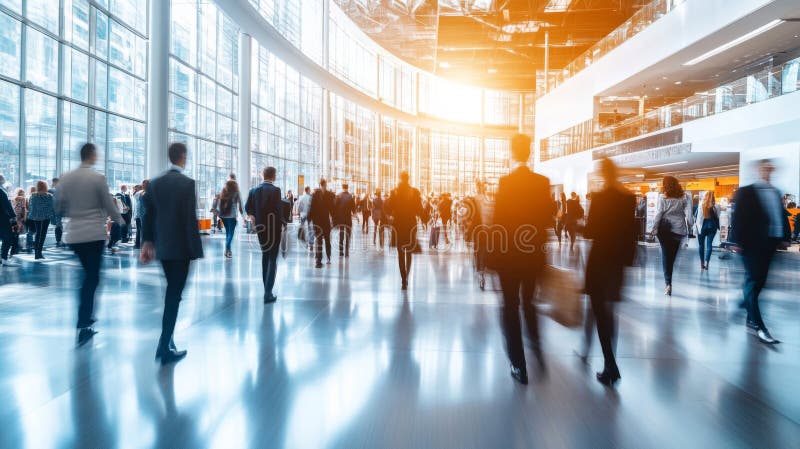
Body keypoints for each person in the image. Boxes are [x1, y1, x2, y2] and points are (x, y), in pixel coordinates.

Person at [488, 134, 551, 385]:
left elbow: (498, 223)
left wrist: (492, 258)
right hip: (532, 255)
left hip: (509, 256)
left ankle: (518, 364)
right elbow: (546, 220)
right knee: (529, 301)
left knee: (510, 307)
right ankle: (535, 343)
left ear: (513, 152)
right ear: (529, 152)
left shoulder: (506, 183)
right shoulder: (542, 183)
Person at [54, 143, 125, 346]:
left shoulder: (66, 178)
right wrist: (120, 221)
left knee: (87, 275)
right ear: (92, 155)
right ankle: (84, 321)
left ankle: (86, 317)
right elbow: (108, 204)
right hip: (93, 234)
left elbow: (58, 206)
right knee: (92, 278)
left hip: (74, 235)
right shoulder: (97, 178)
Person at [141, 142, 204, 365]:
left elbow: (148, 215)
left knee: (171, 292)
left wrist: (147, 242)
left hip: (163, 247)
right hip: (181, 248)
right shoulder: (187, 183)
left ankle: (168, 340)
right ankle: (164, 345)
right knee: (174, 296)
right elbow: (189, 219)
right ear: (183, 157)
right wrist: (195, 249)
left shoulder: (155, 183)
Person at [583, 158, 637, 387]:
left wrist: (578, 226)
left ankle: (610, 365)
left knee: (599, 312)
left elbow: (591, 231)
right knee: (610, 312)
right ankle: (609, 362)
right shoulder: (628, 198)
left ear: (603, 174)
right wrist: (628, 260)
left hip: (599, 261)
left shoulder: (600, 198)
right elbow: (631, 231)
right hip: (617, 263)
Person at [731, 159, 791, 345]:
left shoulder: (775, 192)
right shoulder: (746, 192)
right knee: (753, 280)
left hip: (770, 243)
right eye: (764, 168)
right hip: (751, 244)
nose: (767, 171)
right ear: (758, 170)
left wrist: (785, 237)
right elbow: (738, 216)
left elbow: (780, 215)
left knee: (760, 281)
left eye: (769, 168)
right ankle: (760, 326)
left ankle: (746, 307)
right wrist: (736, 241)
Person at [245, 166, 285, 303]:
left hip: (260, 228)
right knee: (273, 258)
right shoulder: (276, 190)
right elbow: (279, 210)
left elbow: (247, 208)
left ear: (263, 175)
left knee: (265, 256)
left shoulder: (254, 190)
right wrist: (283, 224)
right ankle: (268, 292)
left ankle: (266, 289)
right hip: (274, 228)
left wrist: (253, 216)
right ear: (273, 176)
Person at [650, 176, 693, 296]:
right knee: (672, 257)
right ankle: (669, 280)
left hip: (664, 229)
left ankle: (668, 283)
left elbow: (659, 214)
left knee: (666, 255)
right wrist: (690, 228)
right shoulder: (685, 197)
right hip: (679, 229)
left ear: (665, 185)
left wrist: (654, 228)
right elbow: (689, 215)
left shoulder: (662, 197)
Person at [386, 173, 423, 290]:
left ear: (400, 179)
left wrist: (390, 216)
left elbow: (388, 208)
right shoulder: (414, 192)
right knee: (409, 252)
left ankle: (403, 279)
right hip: (410, 224)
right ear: (408, 179)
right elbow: (419, 210)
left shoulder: (395, 192)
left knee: (400, 253)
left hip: (398, 225)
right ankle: (406, 276)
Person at [309, 179, 335, 268]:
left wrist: (310, 219)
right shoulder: (325, 194)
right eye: (324, 185)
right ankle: (323, 259)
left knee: (322, 240)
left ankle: (322, 259)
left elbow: (312, 208)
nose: (324, 187)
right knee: (323, 240)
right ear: (324, 185)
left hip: (321, 221)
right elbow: (332, 209)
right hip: (322, 221)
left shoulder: (317, 194)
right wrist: (333, 220)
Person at [28, 180, 55, 260]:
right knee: (43, 234)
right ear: (45, 186)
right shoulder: (49, 196)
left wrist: (31, 216)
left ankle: (36, 253)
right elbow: (52, 207)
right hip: (46, 217)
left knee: (38, 233)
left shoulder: (33, 196)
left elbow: (31, 207)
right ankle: (39, 252)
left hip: (36, 217)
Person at [217, 179, 244, 259]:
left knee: (228, 233)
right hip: (232, 217)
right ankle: (227, 248)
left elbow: (219, 205)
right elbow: (241, 206)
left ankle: (228, 250)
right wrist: (244, 217)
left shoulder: (224, 192)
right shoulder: (237, 193)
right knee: (230, 234)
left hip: (224, 216)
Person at [694, 191, 720, 270]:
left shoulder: (701, 205)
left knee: (701, 245)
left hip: (702, 226)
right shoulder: (716, 206)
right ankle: (707, 263)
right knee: (709, 245)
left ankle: (702, 264)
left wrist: (698, 228)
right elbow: (718, 216)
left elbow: (699, 218)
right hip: (712, 226)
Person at [0, 175, 19, 268]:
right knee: (7, 238)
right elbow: (7, 206)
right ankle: (4, 258)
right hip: (3, 218)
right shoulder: (1, 192)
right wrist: (13, 219)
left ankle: (3, 258)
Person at [333, 183, 356, 258]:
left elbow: (335, 207)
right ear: (347, 188)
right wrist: (355, 215)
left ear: (342, 187)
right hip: (348, 218)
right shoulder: (350, 196)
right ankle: (347, 252)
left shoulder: (339, 196)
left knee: (341, 234)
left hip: (341, 219)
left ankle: (341, 251)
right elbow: (353, 208)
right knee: (348, 235)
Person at [10, 188, 27, 257]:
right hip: (18, 218)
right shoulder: (22, 199)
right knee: (16, 234)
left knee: (13, 233)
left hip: (12, 218)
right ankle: (14, 250)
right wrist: (24, 218)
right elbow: (23, 208)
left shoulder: (13, 199)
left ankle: (13, 249)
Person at [133, 180, 149, 249]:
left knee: (140, 230)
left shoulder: (143, 193)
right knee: (140, 230)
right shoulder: (140, 193)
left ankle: (140, 244)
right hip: (140, 215)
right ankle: (139, 244)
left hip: (142, 215)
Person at [50, 178, 64, 248]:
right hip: (59, 210)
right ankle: (59, 241)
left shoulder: (54, 190)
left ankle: (59, 241)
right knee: (59, 225)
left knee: (58, 225)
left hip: (56, 210)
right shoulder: (60, 189)